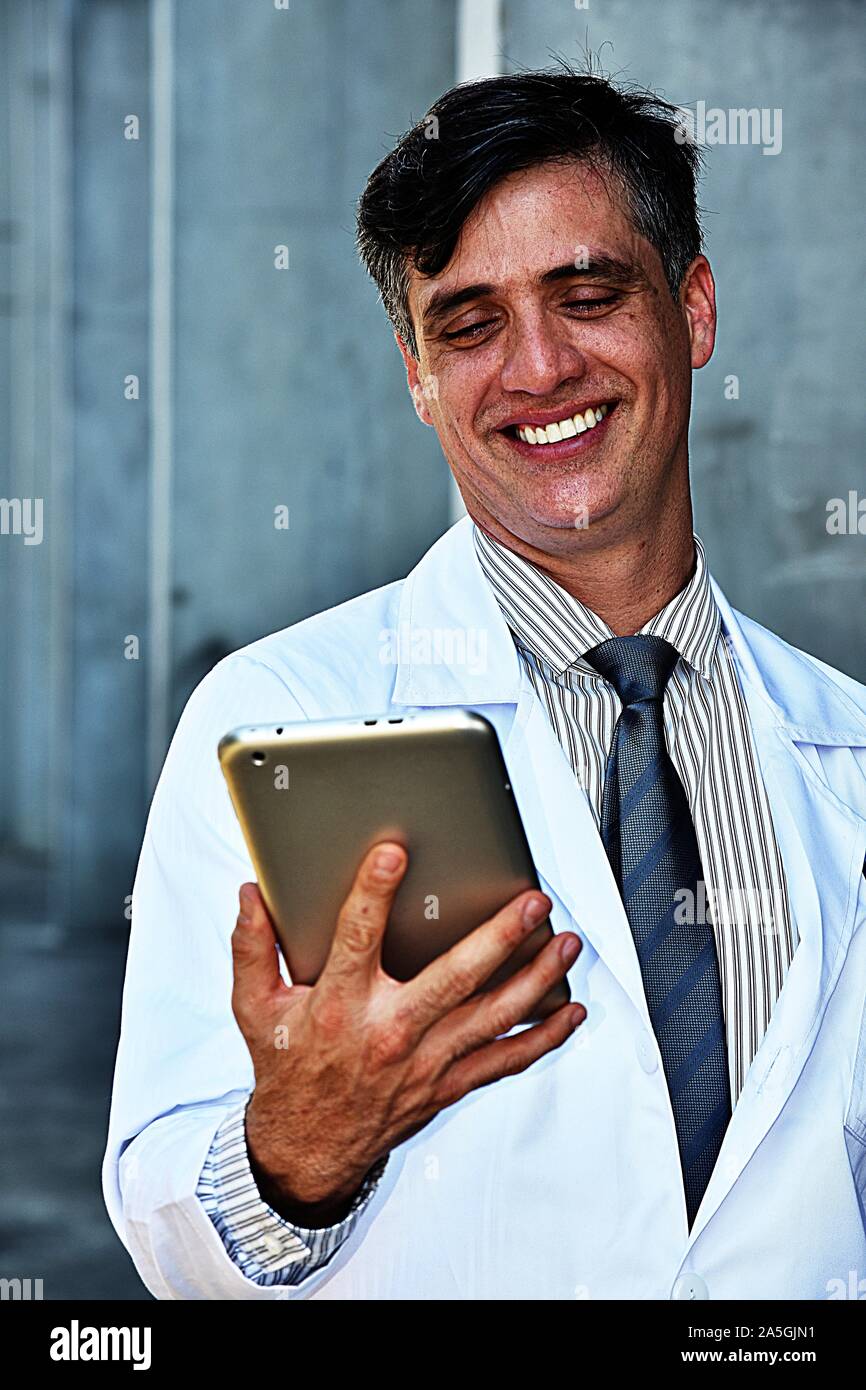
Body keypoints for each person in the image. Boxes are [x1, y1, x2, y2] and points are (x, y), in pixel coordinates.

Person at [103, 66, 866, 1300]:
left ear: (694, 307)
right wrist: (297, 1150)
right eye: (467, 325)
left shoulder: (844, 749)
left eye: (585, 294)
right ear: (413, 375)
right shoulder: (270, 720)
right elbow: (166, 1227)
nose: (538, 367)